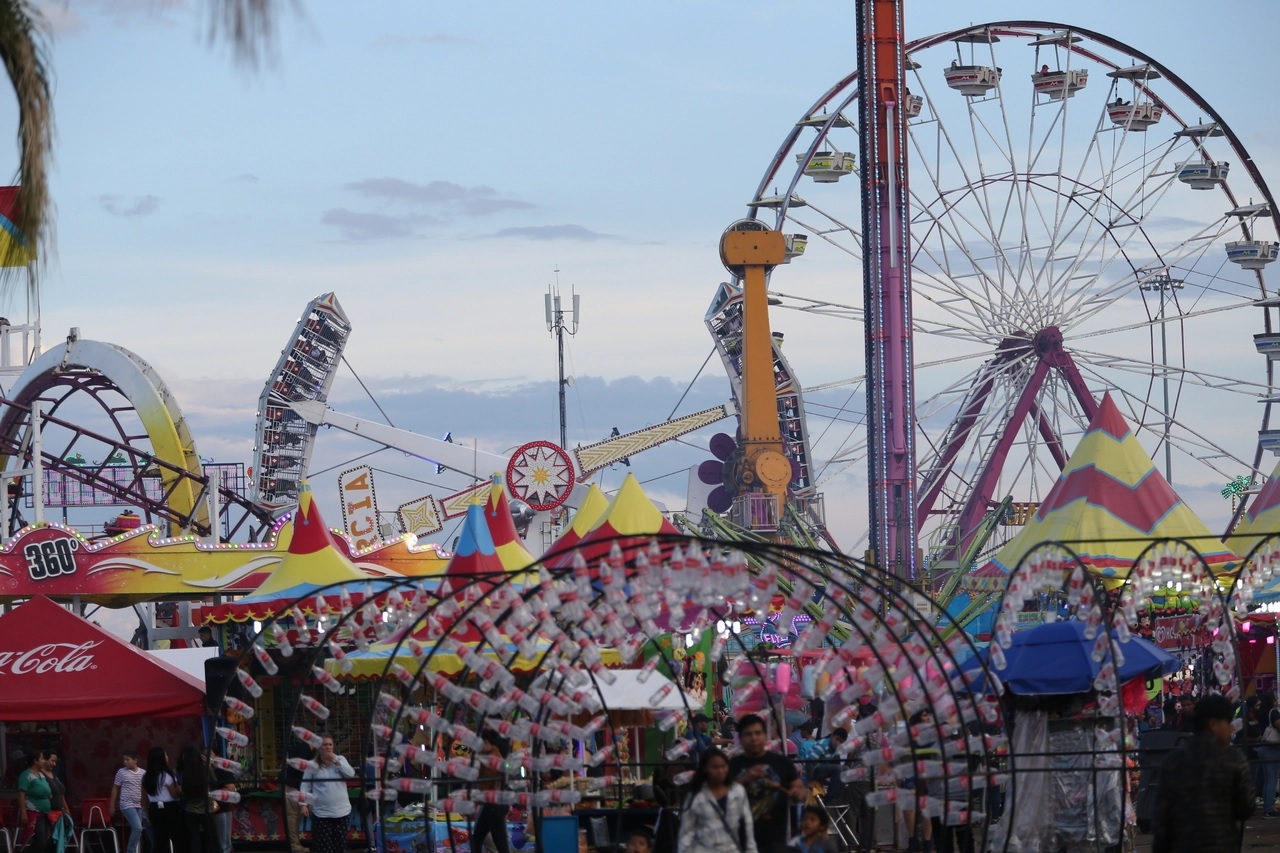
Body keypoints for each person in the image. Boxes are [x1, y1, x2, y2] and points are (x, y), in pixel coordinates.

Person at [1153, 693, 1254, 852]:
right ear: (1214, 724)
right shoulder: (1233, 759)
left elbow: (1161, 819)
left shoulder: (1173, 761)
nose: (1230, 729)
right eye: (1227, 723)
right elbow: (1246, 807)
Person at [728, 714, 806, 853]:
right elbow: (721, 796)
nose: (754, 738)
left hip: (775, 841)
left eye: (758, 733)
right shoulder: (732, 765)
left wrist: (797, 793)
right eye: (748, 734)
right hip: (740, 841)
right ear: (740, 738)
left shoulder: (782, 762)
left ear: (765, 736)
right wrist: (745, 779)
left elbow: (799, 789)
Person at [677, 747, 757, 853]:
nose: (720, 771)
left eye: (723, 766)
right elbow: (686, 833)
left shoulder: (738, 791)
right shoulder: (696, 796)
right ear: (705, 769)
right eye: (714, 767)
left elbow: (747, 825)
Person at [300, 736, 355, 853]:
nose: (328, 747)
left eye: (330, 744)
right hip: (321, 813)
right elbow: (305, 786)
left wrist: (335, 760)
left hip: (342, 812)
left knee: (340, 846)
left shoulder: (340, 759)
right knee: (324, 847)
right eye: (325, 744)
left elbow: (350, 774)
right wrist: (303, 804)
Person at [470, 730, 511, 853]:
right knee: (479, 839)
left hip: (493, 804)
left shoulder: (492, 759)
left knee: (498, 842)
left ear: (487, 742)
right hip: (494, 804)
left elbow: (486, 783)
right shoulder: (498, 756)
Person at [178, 744, 217, 853]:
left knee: (194, 840)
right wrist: (209, 765)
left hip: (190, 810)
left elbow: (183, 792)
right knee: (210, 839)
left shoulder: (184, 773)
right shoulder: (205, 770)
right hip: (207, 809)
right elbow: (214, 782)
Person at [143, 747, 182, 853]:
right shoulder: (166, 775)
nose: (167, 757)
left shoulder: (146, 777)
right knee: (177, 838)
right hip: (170, 809)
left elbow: (144, 798)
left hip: (154, 809)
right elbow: (174, 794)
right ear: (161, 759)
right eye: (165, 755)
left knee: (160, 840)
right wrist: (180, 788)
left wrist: (146, 814)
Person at [109, 751, 148, 853]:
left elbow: (145, 790)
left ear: (135, 760)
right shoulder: (122, 772)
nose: (125, 762)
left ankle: (135, 850)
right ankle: (130, 851)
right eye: (124, 760)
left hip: (139, 805)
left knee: (136, 830)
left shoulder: (143, 773)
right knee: (138, 828)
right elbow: (115, 788)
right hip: (126, 804)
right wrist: (112, 805)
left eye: (127, 759)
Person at [17, 751, 53, 853]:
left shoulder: (41, 775)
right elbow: (21, 794)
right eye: (42, 758)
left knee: (46, 841)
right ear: (35, 761)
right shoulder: (26, 775)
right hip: (34, 813)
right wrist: (23, 813)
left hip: (45, 813)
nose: (44, 761)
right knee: (40, 841)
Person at [283, 742, 313, 853]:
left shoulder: (304, 749)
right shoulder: (304, 749)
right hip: (293, 786)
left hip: (295, 786)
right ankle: (294, 845)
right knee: (293, 815)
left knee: (295, 816)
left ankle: (295, 843)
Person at [1259, 692, 1280, 818]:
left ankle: (1267, 806)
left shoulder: (1262, 712)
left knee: (1268, 779)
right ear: (1273, 701)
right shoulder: (1274, 712)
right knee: (1272, 779)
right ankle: (1269, 809)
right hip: (1272, 748)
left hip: (1263, 748)